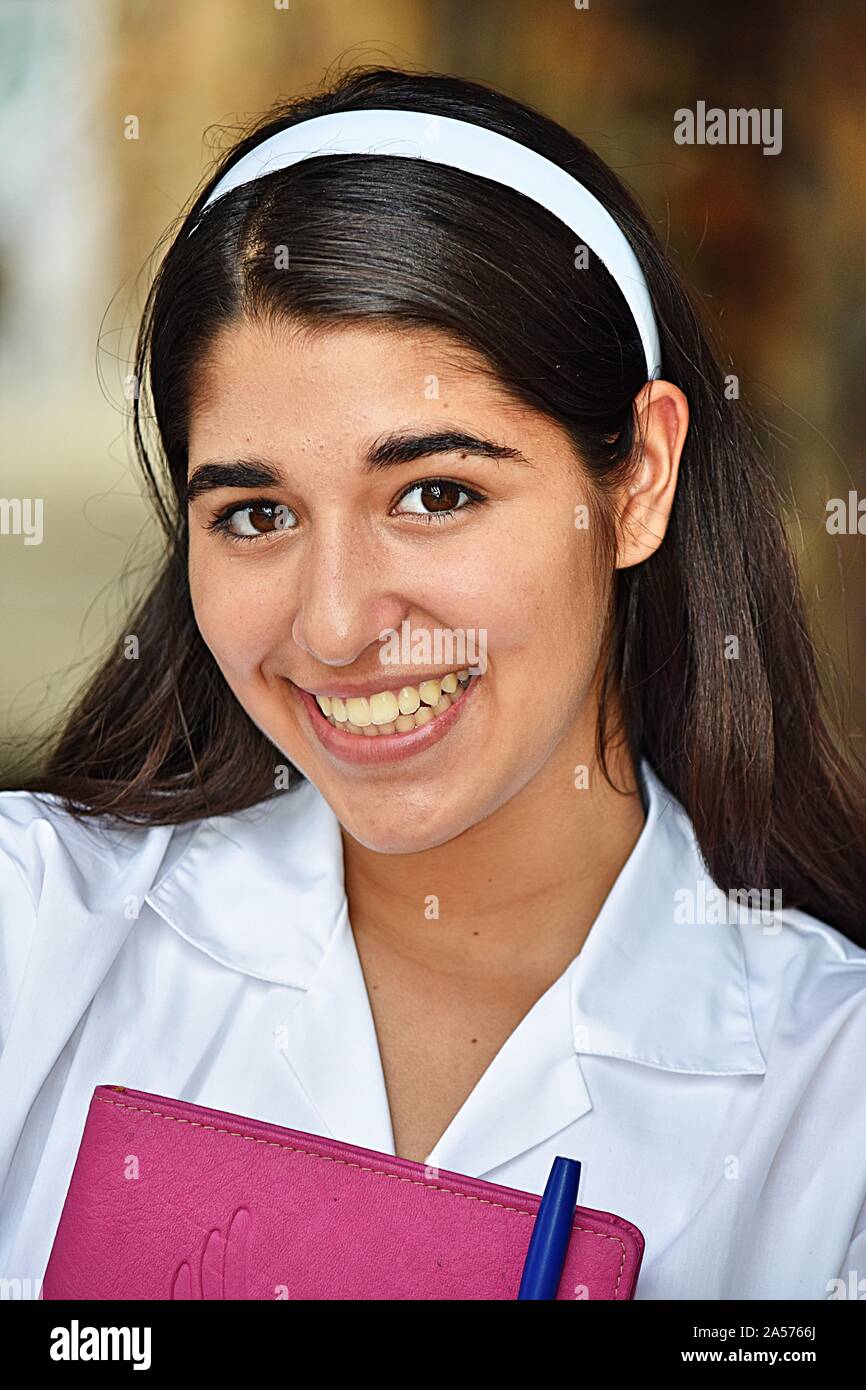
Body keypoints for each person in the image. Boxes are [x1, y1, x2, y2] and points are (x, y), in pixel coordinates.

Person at [1, 65, 864, 1301]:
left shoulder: (837, 1104)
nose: (339, 623)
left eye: (436, 493)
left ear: (638, 480)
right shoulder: (30, 938)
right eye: (253, 514)